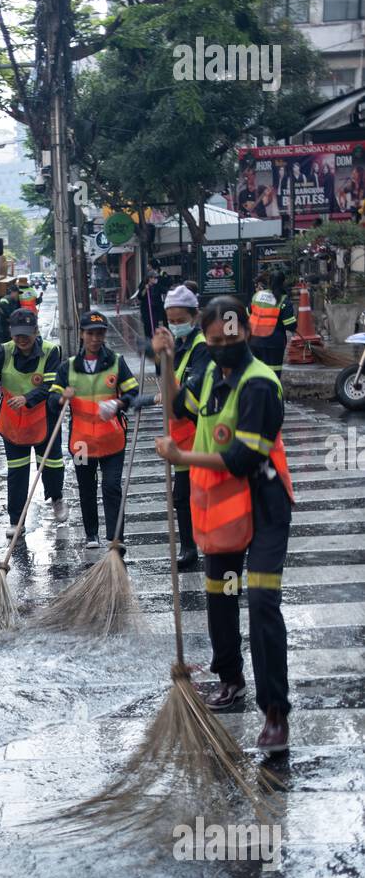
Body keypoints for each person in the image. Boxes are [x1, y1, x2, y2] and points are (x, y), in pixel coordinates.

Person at [154, 295, 294, 753]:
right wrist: (168, 361)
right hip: (227, 506)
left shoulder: (259, 384)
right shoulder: (212, 370)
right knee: (221, 591)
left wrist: (183, 457)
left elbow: (243, 457)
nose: (223, 347)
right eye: (214, 341)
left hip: (266, 502)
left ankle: (275, 712)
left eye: (231, 339)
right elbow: (178, 410)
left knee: (260, 598)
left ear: (247, 333)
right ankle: (230, 678)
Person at [50, 310, 139, 550]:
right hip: (81, 442)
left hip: (112, 438)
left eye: (100, 334)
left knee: (111, 486)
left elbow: (133, 392)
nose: (95, 339)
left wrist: (118, 403)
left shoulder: (116, 362)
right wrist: (61, 397)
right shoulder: (68, 367)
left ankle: (115, 537)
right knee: (86, 488)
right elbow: (52, 400)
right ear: (82, 335)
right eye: (91, 333)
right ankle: (92, 535)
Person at [0, 307, 65, 537]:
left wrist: (27, 398)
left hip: (46, 419)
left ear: (36, 331)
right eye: (17, 334)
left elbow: (51, 386)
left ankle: (56, 497)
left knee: (52, 465)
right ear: (10, 333)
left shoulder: (50, 351)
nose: (22, 339)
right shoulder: (4, 351)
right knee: (17, 472)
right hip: (14, 423)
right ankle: (17, 520)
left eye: (26, 334)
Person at [152, 284, 211, 571]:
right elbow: (164, 379)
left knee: (203, 496)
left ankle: (209, 543)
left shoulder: (202, 349)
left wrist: (171, 390)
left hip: (203, 435)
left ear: (195, 316)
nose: (176, 326)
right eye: (171, 321)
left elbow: (189, 395)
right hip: (182, 437)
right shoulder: (177, 346)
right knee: (181, 497)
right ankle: (189, 547)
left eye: (180, 320)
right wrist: (159, 356)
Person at [248, 270, 296, 376]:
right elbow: (290, 325)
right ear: (283, 283)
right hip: (273, 343)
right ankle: (273, 392)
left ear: (269, 282)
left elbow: (249, 313)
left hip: (254, 341)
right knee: (273, 373)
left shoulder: (257, 296)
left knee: (257, 372)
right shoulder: (284, 301)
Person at [0, 281, 22, 348]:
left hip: (3, 331)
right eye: (17, 293)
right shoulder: (5, 299)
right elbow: (9, 313)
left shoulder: (14, 301)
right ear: (13, 292)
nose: (18, 295)